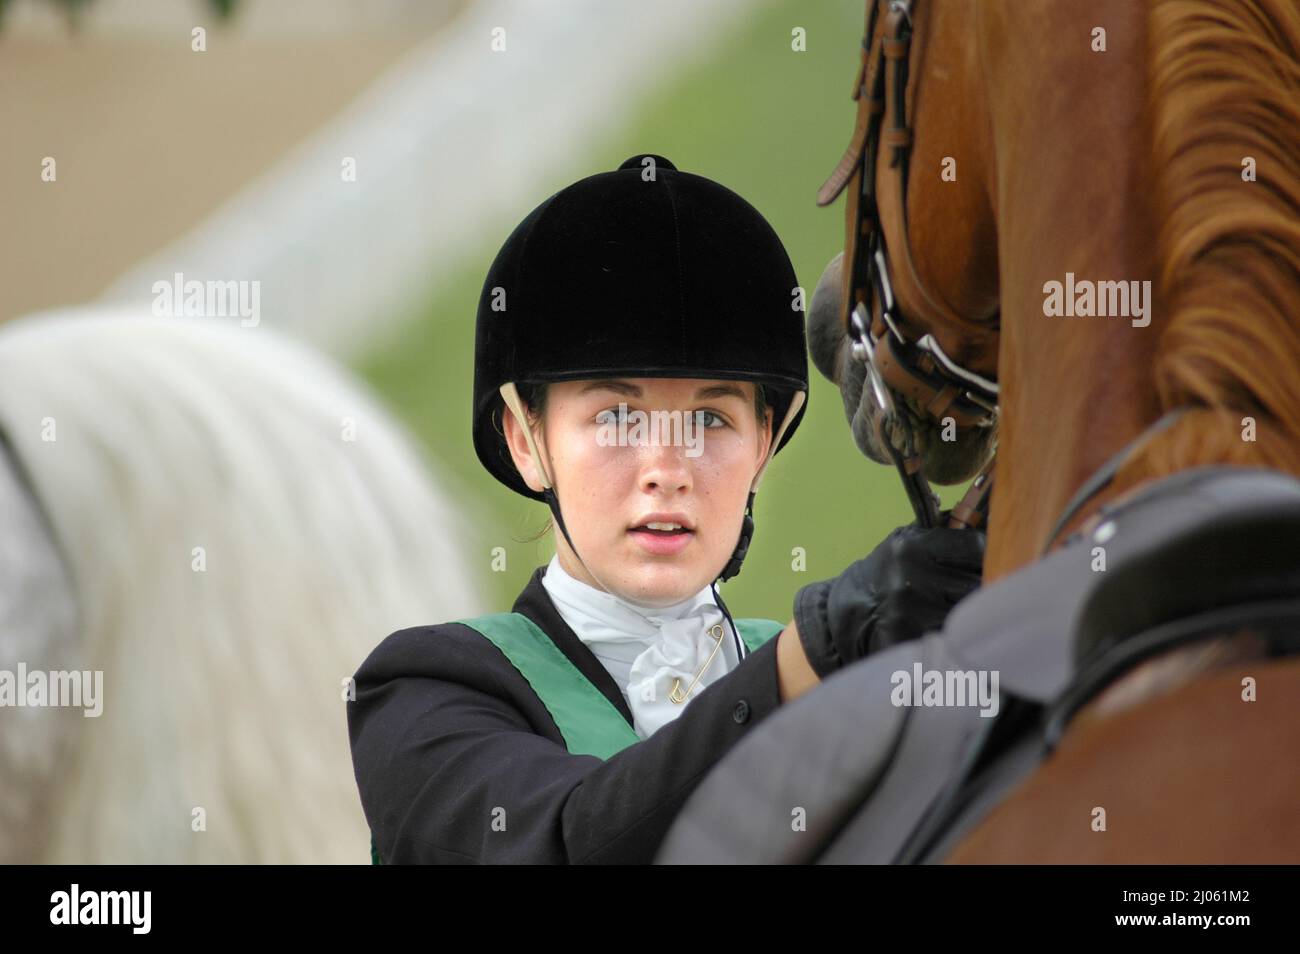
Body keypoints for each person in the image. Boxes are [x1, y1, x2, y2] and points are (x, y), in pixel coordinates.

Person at [346, 154, 986, 864]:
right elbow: (567, 844)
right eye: (618, 416)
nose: (666, 470)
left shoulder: (851, 675)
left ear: (764, 447)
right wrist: (818, 652)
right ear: (524, 439)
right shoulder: (422, 692)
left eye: (711, 421)